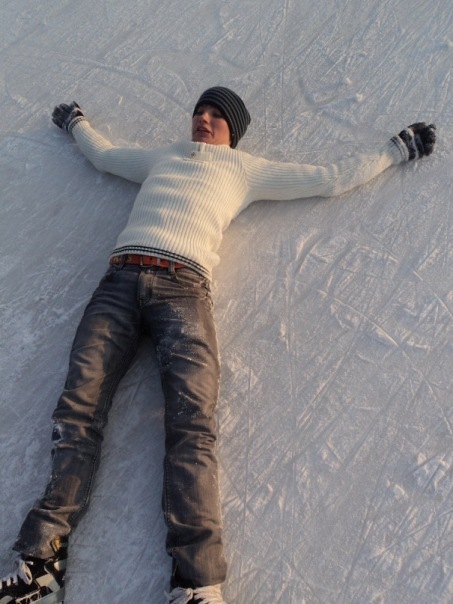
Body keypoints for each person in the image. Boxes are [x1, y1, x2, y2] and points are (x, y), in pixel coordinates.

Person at [0, 86, 436, 604]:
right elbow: (107, 156)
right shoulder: (165, 157)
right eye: (199, 111)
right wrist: (76, 123)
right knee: (77, 410)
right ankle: (41, 566)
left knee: (192, 425)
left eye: (216, 115)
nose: (203, 119)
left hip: (183, 290)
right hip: (118, 283)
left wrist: (394, 149)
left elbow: (328, 177)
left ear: (234, 129)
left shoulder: (244, 169)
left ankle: (196, 584)